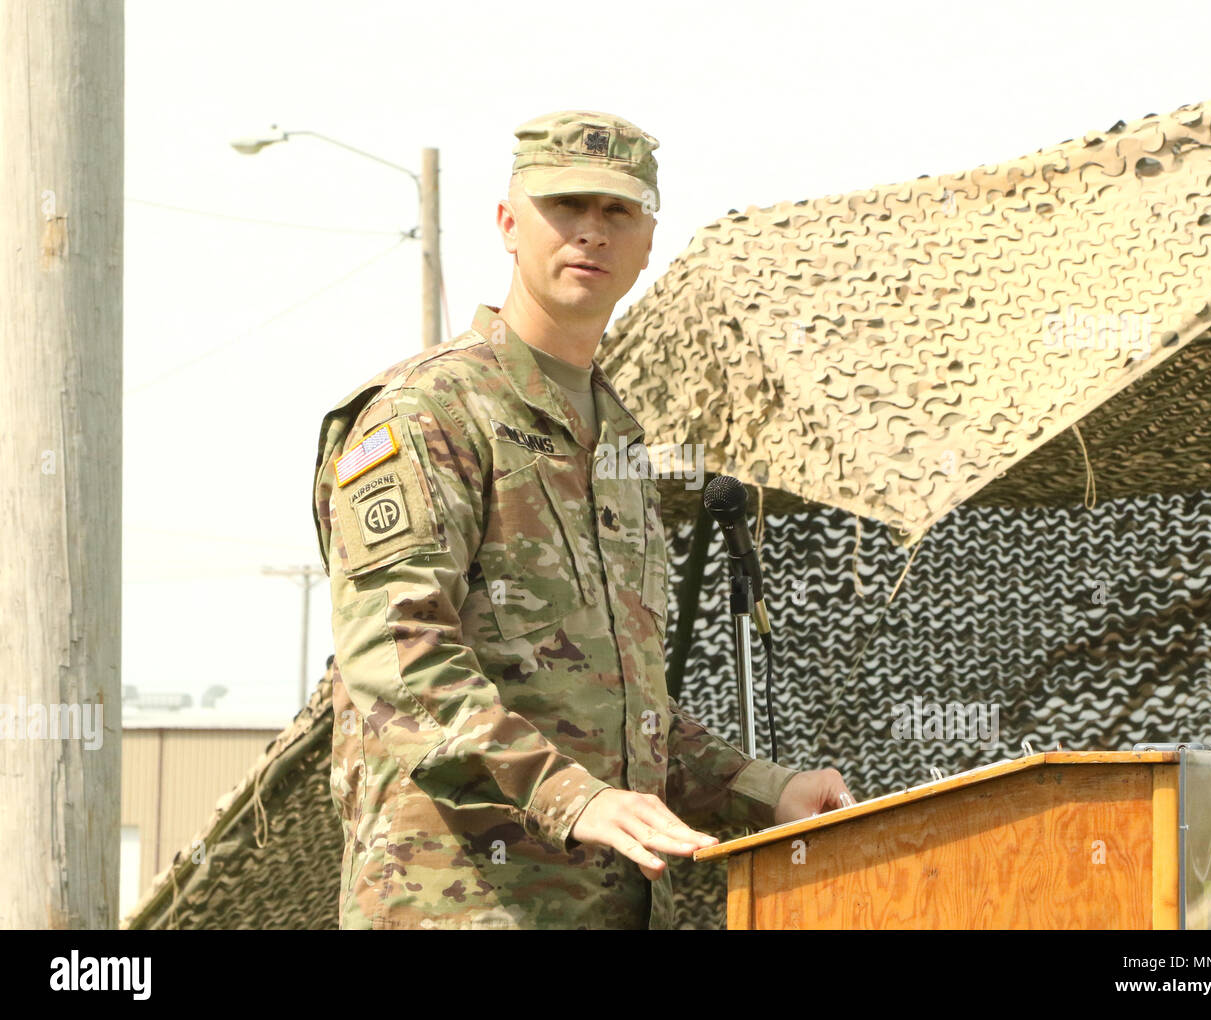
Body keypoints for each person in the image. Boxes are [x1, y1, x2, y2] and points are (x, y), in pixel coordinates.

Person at [311, 110, 850, 930]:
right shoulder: (429, 416)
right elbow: (397, 655)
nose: (590, 233)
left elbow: (625, 714)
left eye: (617, 213)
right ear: (507, 224)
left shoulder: (619, 445)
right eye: (565, 206)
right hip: (459, 908)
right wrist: (571, 797)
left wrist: (766, 790)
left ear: (646, 240)